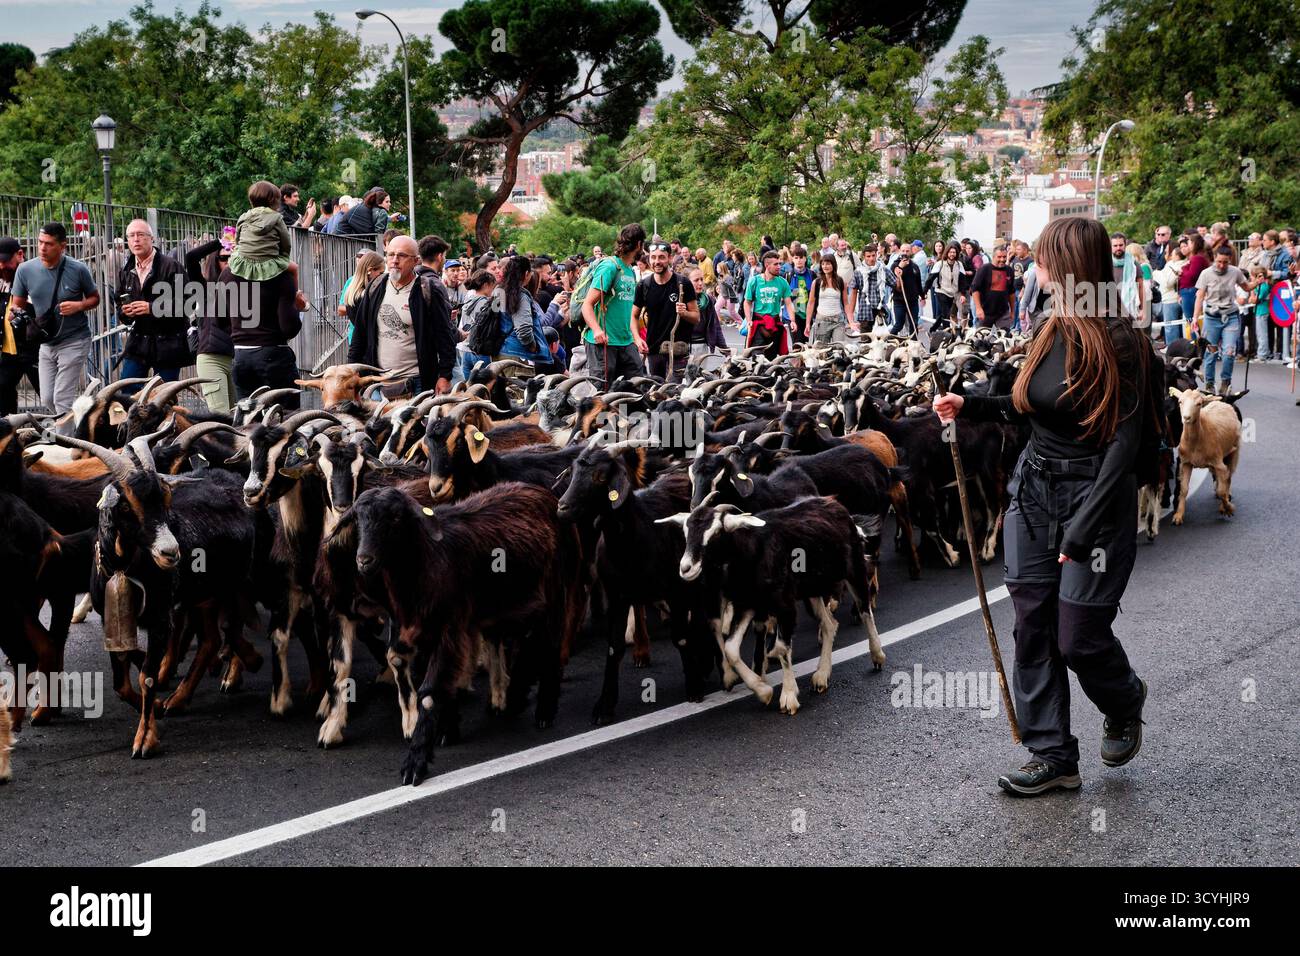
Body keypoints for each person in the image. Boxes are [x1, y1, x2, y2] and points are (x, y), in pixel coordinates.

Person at [933, 216, 1158, 798]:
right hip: (1034, 495)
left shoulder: (1122, 340)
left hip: (1097, 499)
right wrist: (972, 405)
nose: (1037, 271)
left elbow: (1124, 446)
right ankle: (1052, 755)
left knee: (1078, 635)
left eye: (1045, 262)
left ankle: (1124, 698)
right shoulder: (1045, 326)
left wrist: (1082, 531)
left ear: (1073, 267)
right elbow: (1027, 405)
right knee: (1033, 627)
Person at [9, 222, 100, 414]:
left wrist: (79, 305)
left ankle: (65, 443)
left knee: (61, 399)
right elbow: (17, 304)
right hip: (46, 342)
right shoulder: (25, 270)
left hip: (75, 339)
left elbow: (95, 299)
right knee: (48, 398)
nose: (42, 247)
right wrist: (15, 314)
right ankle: (76, 431)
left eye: (49, 243)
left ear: (62, 246)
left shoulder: (78, 269)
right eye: (40, 242)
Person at [348, 234, 454, 397]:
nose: (395, 260)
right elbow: (360, 334)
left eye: (402, 255)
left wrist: (445, 376)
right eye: (391, 254)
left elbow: (445, 337)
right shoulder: (375, 287)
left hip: (417, 384)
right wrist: (352, 370)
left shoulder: (428, 291)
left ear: (416, 260)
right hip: (378, 384)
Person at [115, 219, 191, 385]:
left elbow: (187, 304)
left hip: (168, 342)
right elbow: (119, 303)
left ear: (151, 238)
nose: (136, 239)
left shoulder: (172, 266)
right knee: (127, 392)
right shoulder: (125, 270)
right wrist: (126, 313)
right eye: (131, 236)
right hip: (139, 341)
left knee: (163, 398)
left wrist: (152, 308)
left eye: (141, 235)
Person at [582, 223, 646, 388]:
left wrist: (637, 338)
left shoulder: (630, 270)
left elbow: (628, 311)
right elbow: (587, 305)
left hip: (626, 342)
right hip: (604, 344)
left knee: (637, 389)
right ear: (639, 244)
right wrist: (597, 330)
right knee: (602, 396)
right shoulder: (610, 266)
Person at [228, 181, 306, 310]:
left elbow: (237, 240)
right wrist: (283, 257)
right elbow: (286, 243)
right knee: (294, 268)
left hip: (244, 259)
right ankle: (296, 298)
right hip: (268, 261)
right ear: (273, 200)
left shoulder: (243, 216)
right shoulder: (277, 217)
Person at [1192, 246, 1256, 395]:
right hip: (1211, 318)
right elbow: (1200, 296)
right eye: (1219, 261)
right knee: (1211, 353)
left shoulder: (1235, 272)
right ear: (1215, 258)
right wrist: (1195, 317)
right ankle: (1209, 384)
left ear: (1230, 261)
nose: (1222, 265)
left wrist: (1257, 283)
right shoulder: (1206, 274)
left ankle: (1225, 382)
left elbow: (1246, 287)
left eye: (1225, 262)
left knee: (1229, 352)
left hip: (1231, 317)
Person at [634, 238, 699, 380]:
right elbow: (633, 316)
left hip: (677, 350)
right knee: (657, 393)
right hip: (654, 350)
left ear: (670, 258)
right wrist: (637, 339)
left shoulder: (683, 283)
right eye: (653, 258)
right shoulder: (643, 286)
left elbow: (696, 317)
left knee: (674, 392)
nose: (657, 262)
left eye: (661, 257)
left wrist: (684, 313)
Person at [188, 232, 235, 412]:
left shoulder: (246, 287)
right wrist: (221, 241)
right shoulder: (205, 289)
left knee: (240, 418)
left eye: (233, 257)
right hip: (212, 358)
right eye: (224, 258)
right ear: (215, 261)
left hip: (239, 360)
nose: (229, 261)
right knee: (221, 417)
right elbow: (191, 258)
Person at [0, 237, 40, 415]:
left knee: (50, 396)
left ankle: (70, 434)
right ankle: (10, 435)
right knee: (3, 393)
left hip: (35, 351)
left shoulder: (34, 277)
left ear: (20, 255)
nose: (2, 266)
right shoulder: (2, 279)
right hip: (9, 351)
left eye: (6, 261)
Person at [744, 250, 794, 360]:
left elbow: (788, 303)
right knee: (756, 359)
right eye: (776, 264)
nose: (779, 267)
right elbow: (747, 302)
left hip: (775, 325)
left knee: (771, 360)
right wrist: (748, 321)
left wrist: (793, 320)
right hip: (758, 324)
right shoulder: (754, 281)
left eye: (780, 263)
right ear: (767, 265)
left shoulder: (782, 282)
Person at [686, 267, 728, 370]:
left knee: (699, 379)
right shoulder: (680, 300)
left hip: (702, 347)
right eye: (696, 280)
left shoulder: (708, 300)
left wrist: (724, 347)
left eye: (701, 279)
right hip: (684, 347)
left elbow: (715, 326)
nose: (700, 283)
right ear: (686, 282)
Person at [808, 253, 853, 345]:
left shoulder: (841, 281)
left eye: (828, 264)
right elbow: (811, 303)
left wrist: (851, 321)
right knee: (822, 352)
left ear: (833, 264)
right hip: (822, 321)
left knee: (839, 349)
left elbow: (846, 303)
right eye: (823, 264)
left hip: (838, 321)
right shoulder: (816, 282)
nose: (825, 266)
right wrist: (807, 324)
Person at [971, 245, 1016, 331]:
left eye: (1004, 257)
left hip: (1003, 313)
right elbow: (975, 289)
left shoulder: (1009, 270)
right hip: (985, 312)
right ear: (993, 257)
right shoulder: (984, 269)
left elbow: (1011, 292)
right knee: (982, 339)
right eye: (999, 257)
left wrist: (1013, 311)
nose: (1002, 259)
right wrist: (978, 308)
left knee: (1004, 338)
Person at [851, 244, 893, 330]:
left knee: (881, 341)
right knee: (865, 341)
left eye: (873, 255)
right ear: (864, 257)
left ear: (876, 255)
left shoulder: (883, 270)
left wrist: (900, 271)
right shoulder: (858, 272)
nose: (871, 258)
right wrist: (851, 316)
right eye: (868, 256)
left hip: (880, 311)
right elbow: (854, 294)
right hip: (865, 312)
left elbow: (896, 285)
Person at [926, 242, 965, 331]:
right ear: (947, 252)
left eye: (954, 252)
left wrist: (962, 294)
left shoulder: (959, 264)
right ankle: (946, 332)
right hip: (941, 291)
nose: (952, 254)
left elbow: (962, 280)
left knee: (944, 314)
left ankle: (933, 329)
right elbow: (931, 278)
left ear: (956, 253)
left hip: (952, 293)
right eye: (950, 252)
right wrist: (924, 292)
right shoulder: (940, 264)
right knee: (947, 314)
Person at [1152, 245, 1187, 345]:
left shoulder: (1174, 266)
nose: (1168, 255)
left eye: (1170, 253)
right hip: (1177, 298)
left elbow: (1167, 282)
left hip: (1170, 299)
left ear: (1176, 255)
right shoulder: (1180, 264)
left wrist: (1156, 273)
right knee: (1181, 327)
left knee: (1170, 327)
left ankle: (1173, 349)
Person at [1177, 233, 1211, 335]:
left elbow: (1192, 276)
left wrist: (1183, 270)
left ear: (1194, 243)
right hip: (1188, 291)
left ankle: (1196, 345)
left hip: (1190, 291)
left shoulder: (1197, 258)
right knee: (1191, 320)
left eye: (1189, 242)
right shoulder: (1197, 257)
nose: (1188, 245)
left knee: (1191, 320)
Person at [785, 243, 817, 345]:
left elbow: (816, 295)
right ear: (793, 259)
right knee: (797, 344)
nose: (799, 260)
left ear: (805, 259)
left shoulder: (812, 274)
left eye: (801, 258)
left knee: (807, 344)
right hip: (794, 315)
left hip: (808, 314)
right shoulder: (788, 275)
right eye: (796, 258)